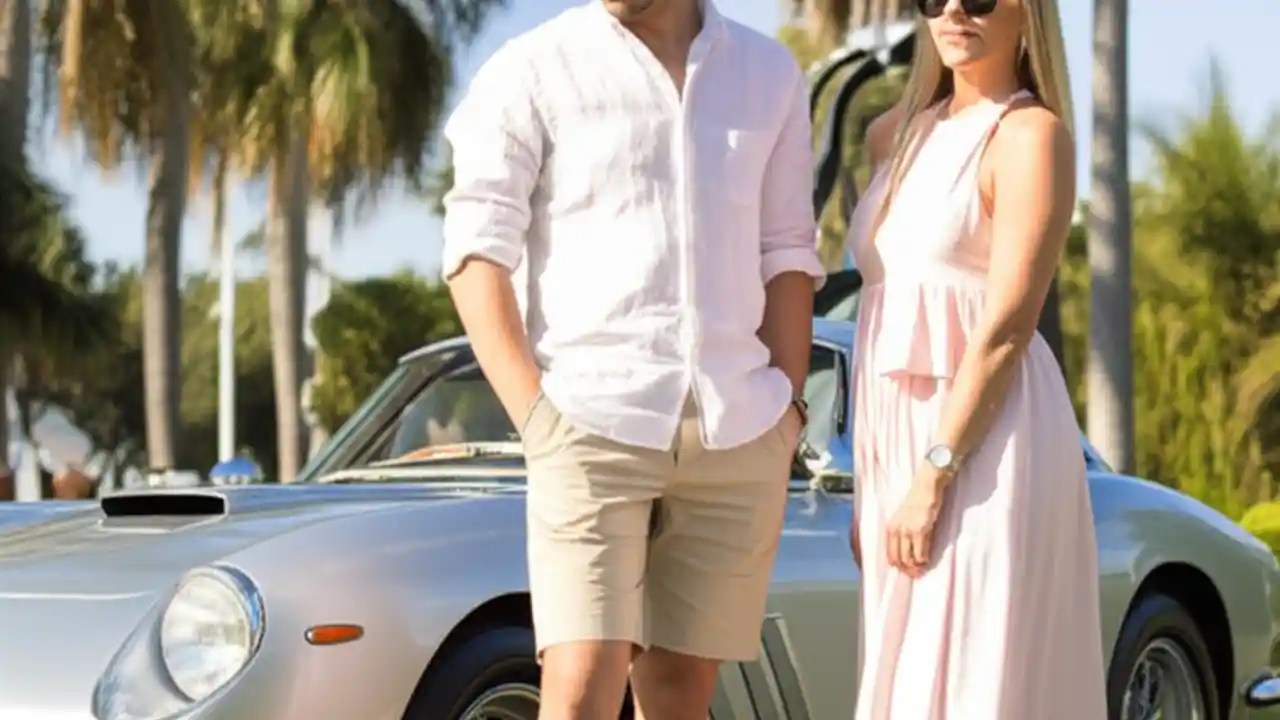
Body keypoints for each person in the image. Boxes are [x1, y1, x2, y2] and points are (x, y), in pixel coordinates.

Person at [441, 1, 826, 718]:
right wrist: (536, 416)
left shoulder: (768, 72)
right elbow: (473, 252)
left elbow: (787, 252)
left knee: (682, 695)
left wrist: (787, 409)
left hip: (738, 426)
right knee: (580, 687)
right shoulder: (530, 68)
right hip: (587, 420)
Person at [844, 0, 1107, 717]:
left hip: (985, 442)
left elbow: (1005, 326)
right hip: (897, 441)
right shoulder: (890, 136)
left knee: (973, 676)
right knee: (907, 679)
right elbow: (881, 312)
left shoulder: (1029, 136)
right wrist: (877, 483)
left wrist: (935, 471)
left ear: (1028, 14)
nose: (957, 9)